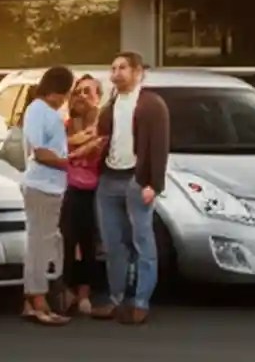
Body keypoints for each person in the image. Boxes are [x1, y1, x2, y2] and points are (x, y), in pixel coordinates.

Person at [92, 52, 171, 325]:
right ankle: (116, 298)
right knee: (113, 243)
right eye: (113, 68)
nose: (116, 72)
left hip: (135, 180)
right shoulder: (112, 104)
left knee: (142, 241)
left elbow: (160, 147)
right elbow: (101, 136)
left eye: (122, 67)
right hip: (109, 178)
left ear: (138, 72)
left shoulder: (152, 104)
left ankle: (140, 301)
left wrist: (154, 184)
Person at [20, 65, 75, 326]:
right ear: (58, 91)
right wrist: (70, 162)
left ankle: (34, 297)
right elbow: (40, 152)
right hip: (43, 186)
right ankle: (37, 299)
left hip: (50, 187)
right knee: (39, 245)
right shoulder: (39, 110)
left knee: (44, 242)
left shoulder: (45, 111)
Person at [59, 74, 108, 315]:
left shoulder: (104, 126)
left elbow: (99, 145)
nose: (81, 97)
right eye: (78, 92)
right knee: (66, 242)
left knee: (88, 243)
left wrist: (75, 150)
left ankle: (85, 294)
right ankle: (66, 291)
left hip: (93, 192)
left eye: (88, 92)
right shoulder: (65, 126)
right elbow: (56, 149)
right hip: (67, 190)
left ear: (98, 98)